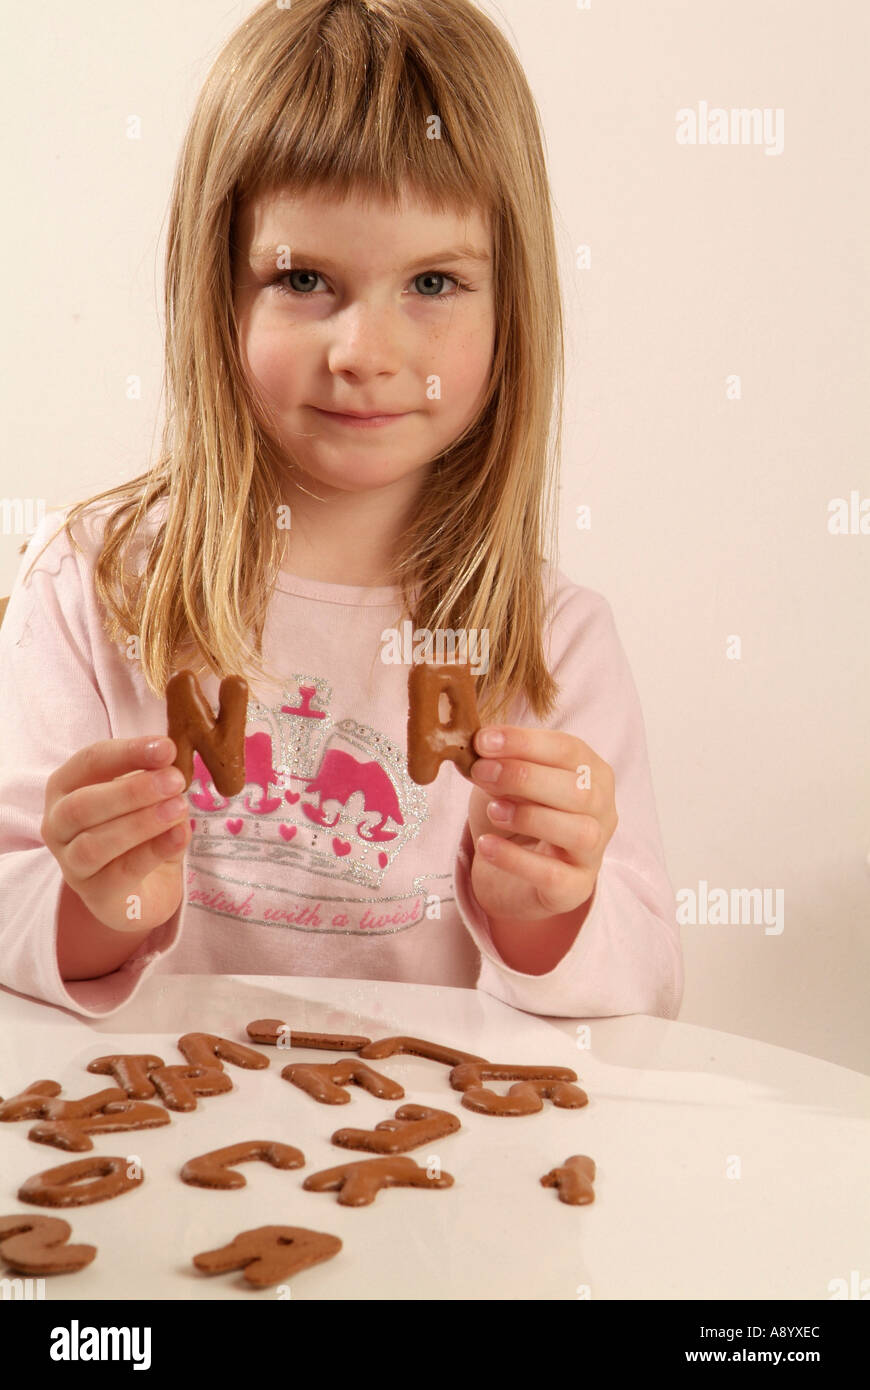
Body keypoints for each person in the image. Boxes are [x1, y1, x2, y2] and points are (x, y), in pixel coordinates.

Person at [0, 0, 682, 1021]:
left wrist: (552, 908)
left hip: (434, 1160)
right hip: (159, 1144)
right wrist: (102, 900)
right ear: (216, 290)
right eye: (305, 278)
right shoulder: (93, 588)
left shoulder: (550, 643)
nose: (366, 351)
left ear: (514, 305)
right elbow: (12, 905)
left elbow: (649, 979)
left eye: (435, 281)